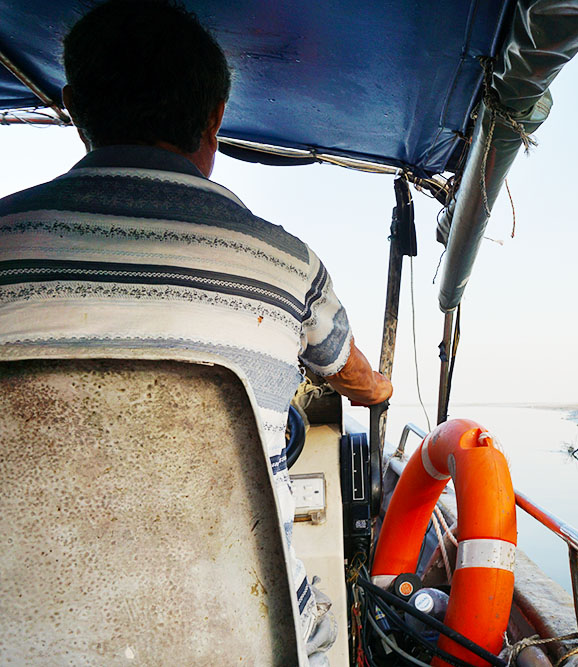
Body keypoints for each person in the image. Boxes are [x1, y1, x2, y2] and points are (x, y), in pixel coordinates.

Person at [0, 0, 391, 662]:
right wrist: (376, 391)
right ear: (215, 118)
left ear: (74, 107)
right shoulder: (288, 263)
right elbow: (348, 373)